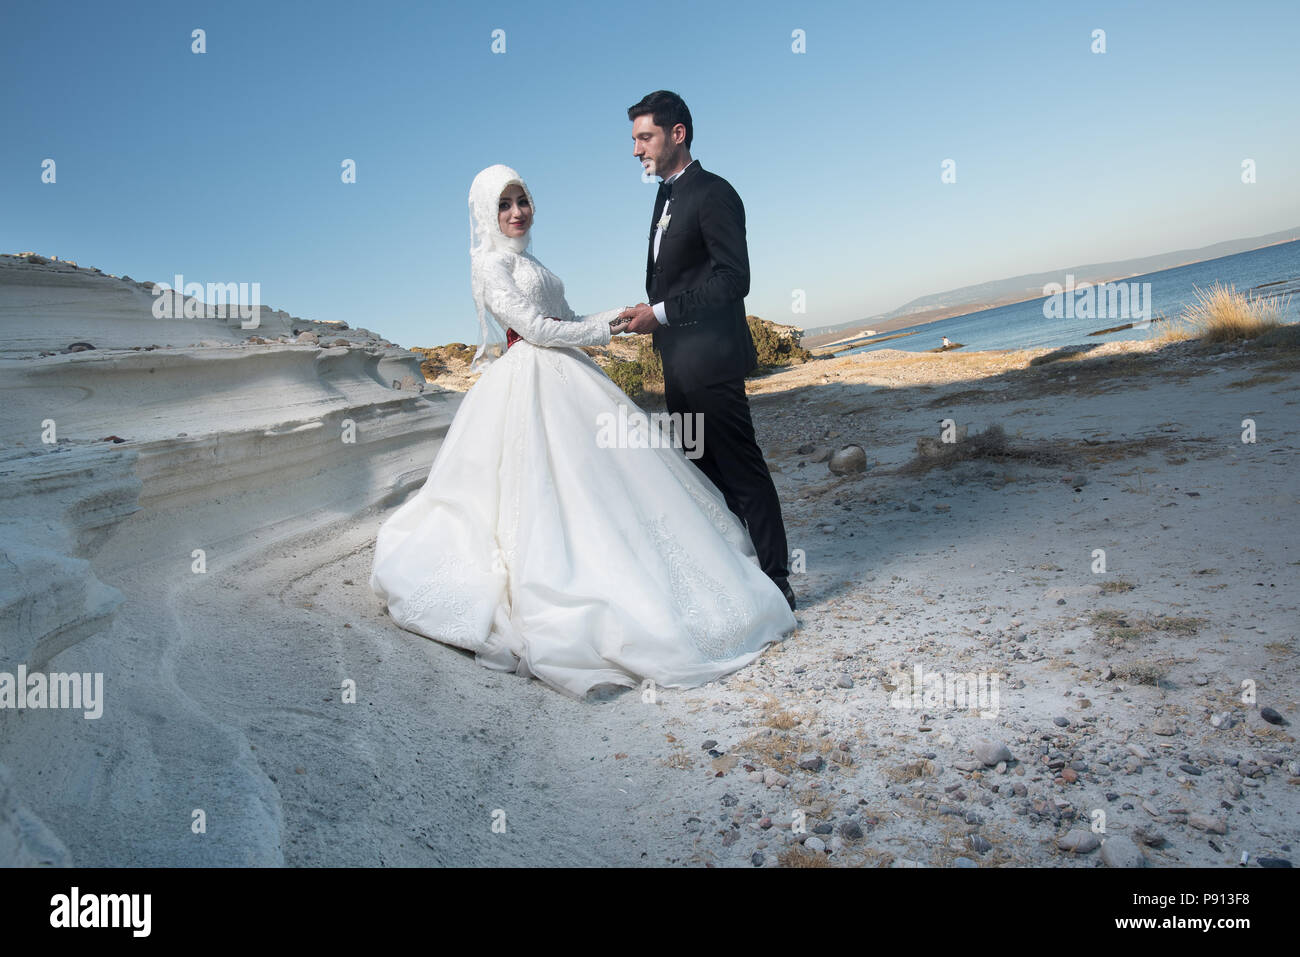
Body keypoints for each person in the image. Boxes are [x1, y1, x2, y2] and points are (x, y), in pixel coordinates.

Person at [369, 164, 796, 699]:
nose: (517, 212)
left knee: (618, 482)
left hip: (571, 373)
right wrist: (600, 329)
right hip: (530, 378)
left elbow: (564, 313)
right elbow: (538, 330)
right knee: (548, 490)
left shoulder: (532, 262)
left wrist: (617, 316)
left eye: (522, 199)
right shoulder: (489, 265)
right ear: (486, 213)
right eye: (504, 205)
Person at [617, 91, 796, 612]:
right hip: (678, 367)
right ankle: (739, 581)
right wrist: (650, 311)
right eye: (633, 140)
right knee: (702, 475)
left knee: (741, 470)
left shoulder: (714, 193)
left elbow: (732, 280)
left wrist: (663, 312)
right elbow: (676, 276)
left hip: (713, 363)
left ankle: (778, 583)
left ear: (678, 134)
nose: (635, 151)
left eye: (644, 137)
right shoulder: (664, 195)